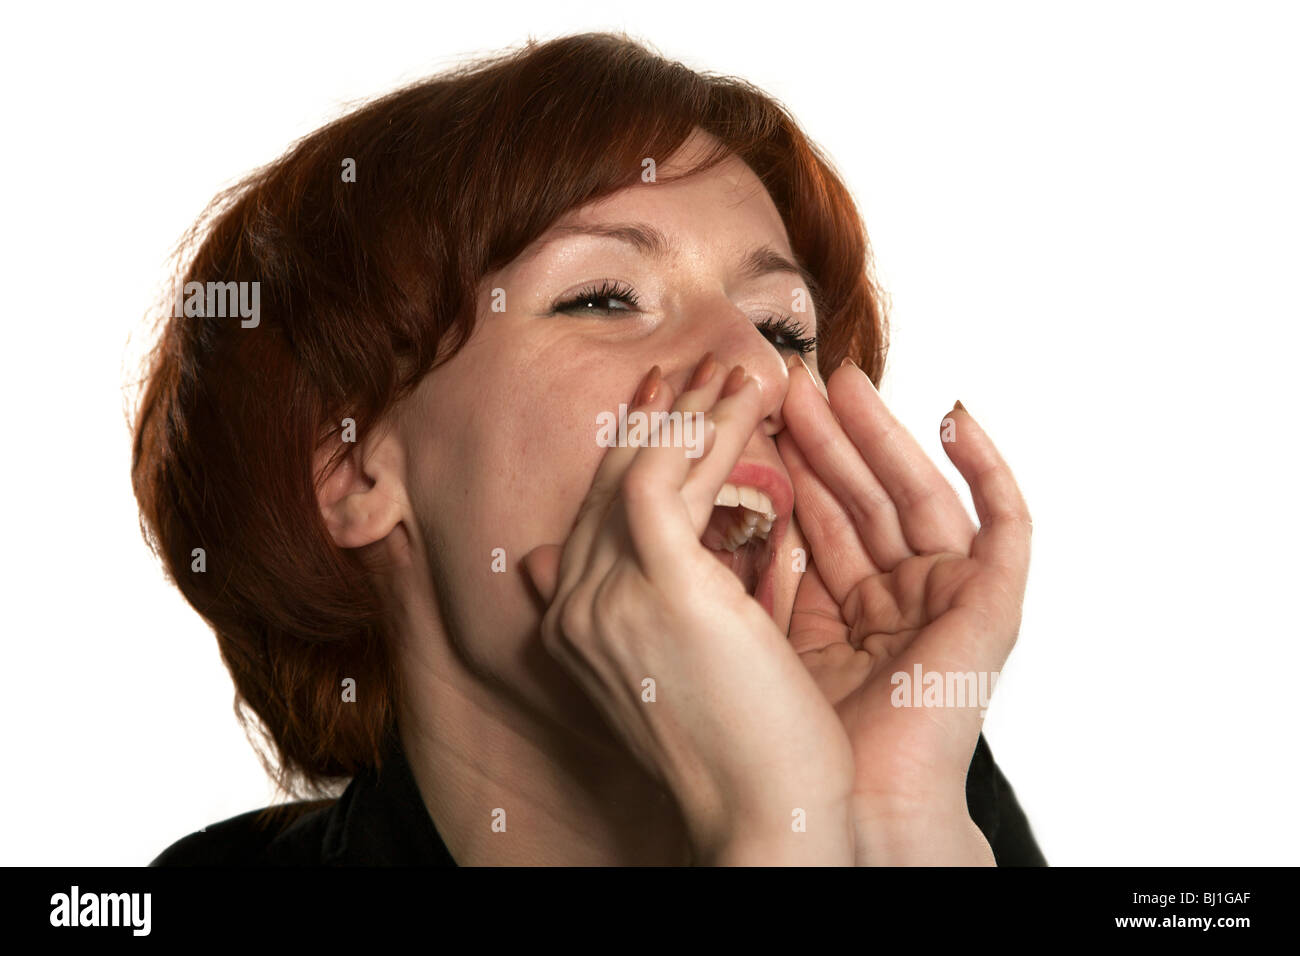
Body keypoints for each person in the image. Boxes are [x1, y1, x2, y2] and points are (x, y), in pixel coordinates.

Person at [135, 31, 1044, 866]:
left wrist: (886, 820)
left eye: (781, 327)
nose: (758, 372)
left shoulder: (937, 806)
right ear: (355, 464)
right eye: (605, 297)